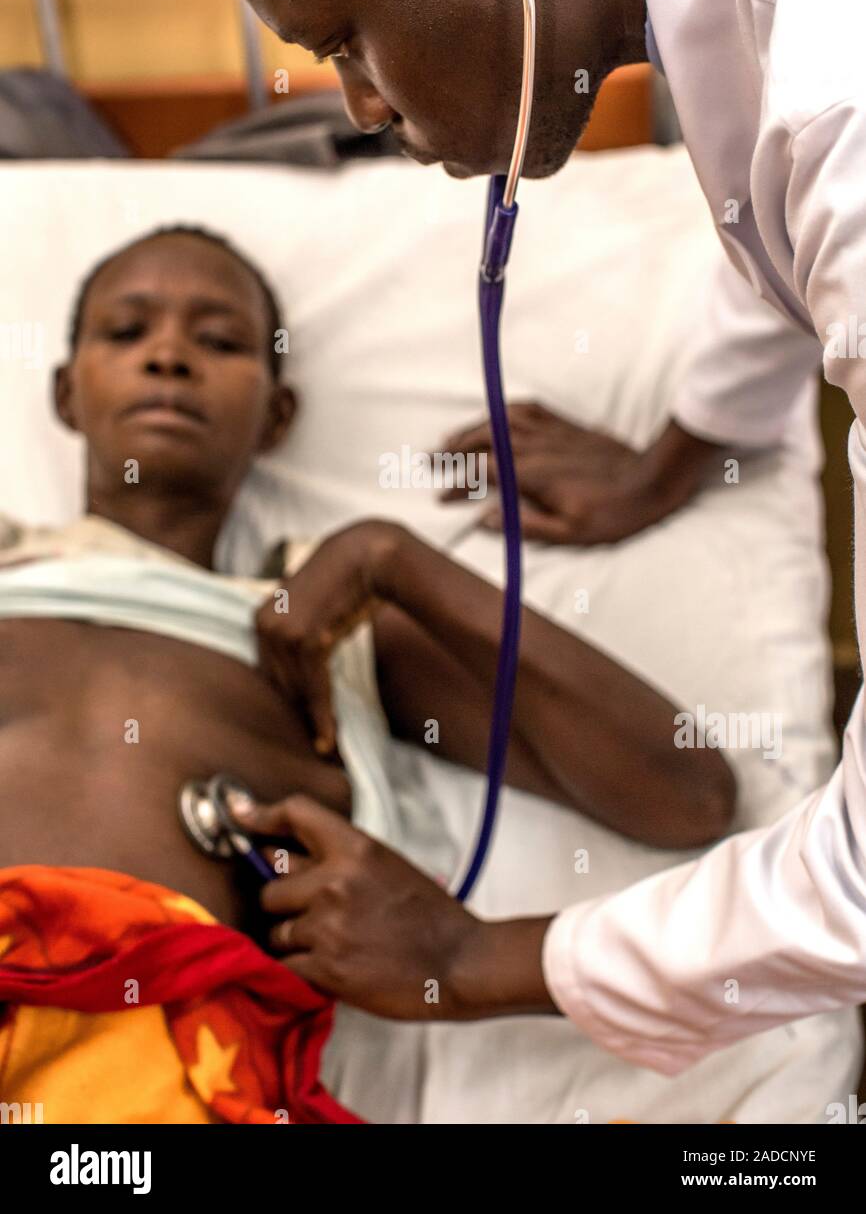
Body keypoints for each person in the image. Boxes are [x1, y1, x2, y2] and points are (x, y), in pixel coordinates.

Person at [181, 0, 866, 1070]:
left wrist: (470, 960)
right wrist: (679, 453)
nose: (366, 104)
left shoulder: (843, 69)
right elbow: (780, 207)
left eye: (343, 40)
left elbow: (829, 867)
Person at [0, 225, 713, 1122]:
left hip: (152, 1062)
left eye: (219, 341)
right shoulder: (12, 566)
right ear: (67, 392)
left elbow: (683, 793)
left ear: (279, 412)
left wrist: (394, 559)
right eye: (127, 332)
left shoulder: (323, 617)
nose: (170, 357)